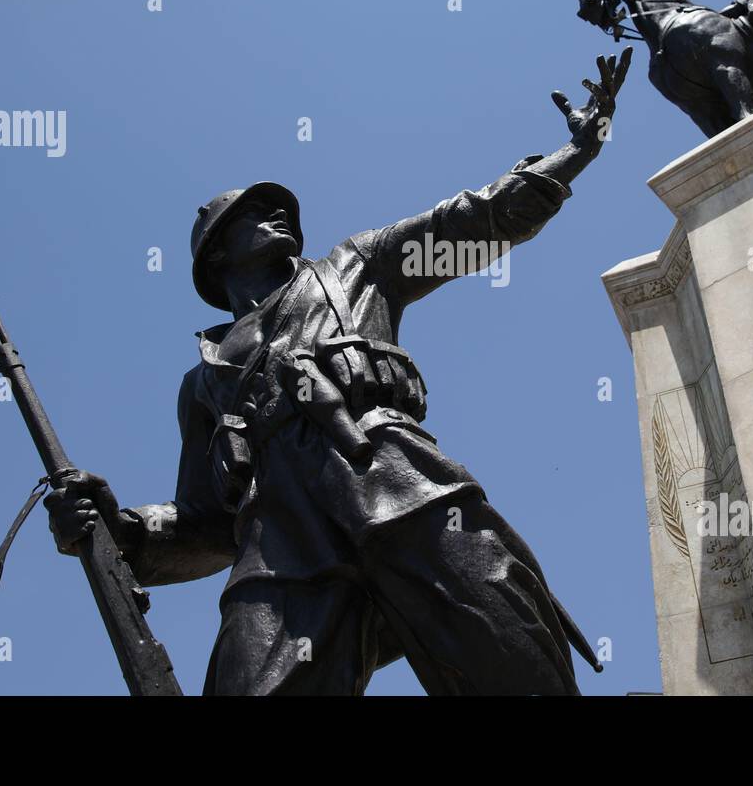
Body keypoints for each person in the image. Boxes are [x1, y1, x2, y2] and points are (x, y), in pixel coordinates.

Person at [43, 49, 634, 694]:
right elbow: (209, 522)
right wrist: (120, 530)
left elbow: (474, 221)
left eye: (283, 211)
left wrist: (577, 151)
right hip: (280, 545)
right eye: (255, 213)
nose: (280, 217)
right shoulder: (203, 382)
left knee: (513, 657)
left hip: (400, 485)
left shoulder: (356, 267)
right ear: (216, 252)